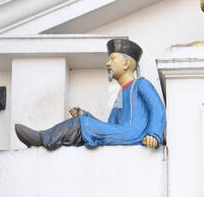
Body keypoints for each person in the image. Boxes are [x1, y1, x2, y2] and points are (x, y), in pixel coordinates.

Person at [14, 37, 166, 150]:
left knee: (85, 123)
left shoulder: (141, 84)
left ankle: (43, 139)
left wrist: (154, 134)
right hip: (122, 133)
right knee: (85, 121)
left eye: (112, 59)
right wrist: (86, 115)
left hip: (134, 134)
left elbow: (157, 109)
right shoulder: (119, 96)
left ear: (126, 63)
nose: (108, 63)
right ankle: (46, 139)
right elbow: (110, 127)